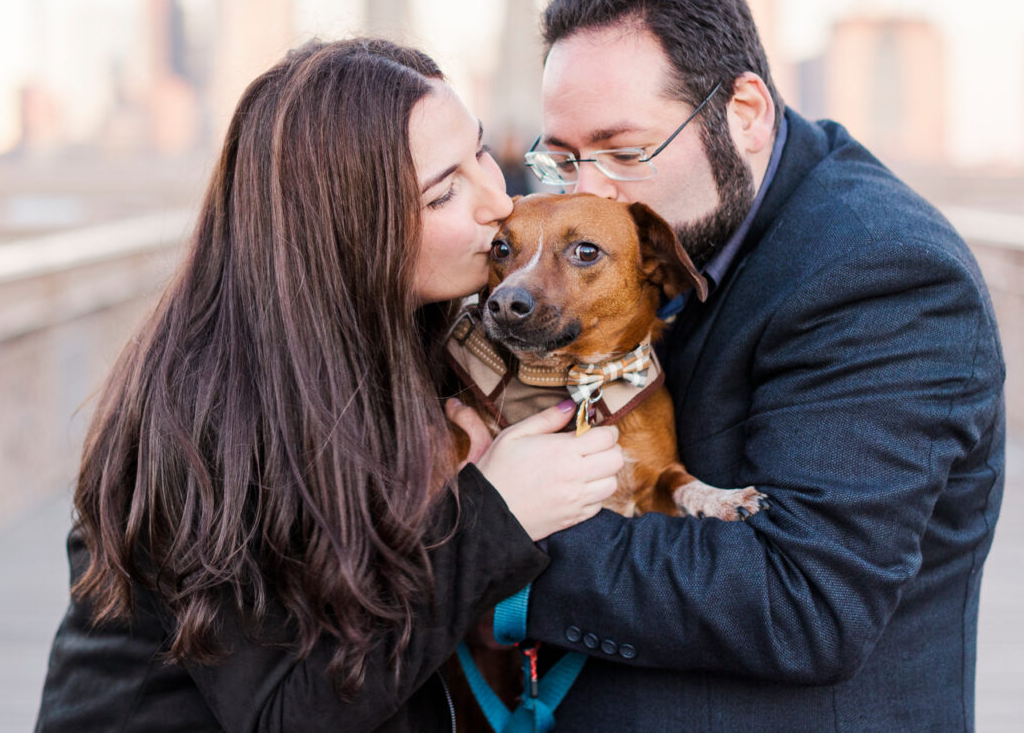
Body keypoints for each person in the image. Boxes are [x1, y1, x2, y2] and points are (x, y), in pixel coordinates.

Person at [33, 38, 625, 733]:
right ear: (350, 230)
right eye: (444, 192)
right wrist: (492, 516)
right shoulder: (215, 424)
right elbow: (290, 717)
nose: (500, 201)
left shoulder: (416, 340)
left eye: (483, 152)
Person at [504, 0, 1006, 732]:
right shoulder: (673, 233)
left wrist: (486, 541)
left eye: (624, 152)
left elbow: (803, 599)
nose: (589, 192)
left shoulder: (881, 272)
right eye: (564, 160)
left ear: (744, 114)